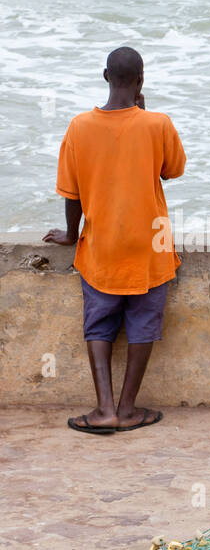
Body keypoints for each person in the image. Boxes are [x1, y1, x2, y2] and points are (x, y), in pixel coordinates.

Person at [43, 46, 186, 434]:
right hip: (150, 249)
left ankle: (103, 409)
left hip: (101, 248)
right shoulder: (158, 123)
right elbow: (172, 170)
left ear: (105, 76)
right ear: (141, 81)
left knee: (99, 324)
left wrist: (72, 236)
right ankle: (128, 409)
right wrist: (144, 109)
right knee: (143, 325)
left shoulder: (78, 127)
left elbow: (71, 195)